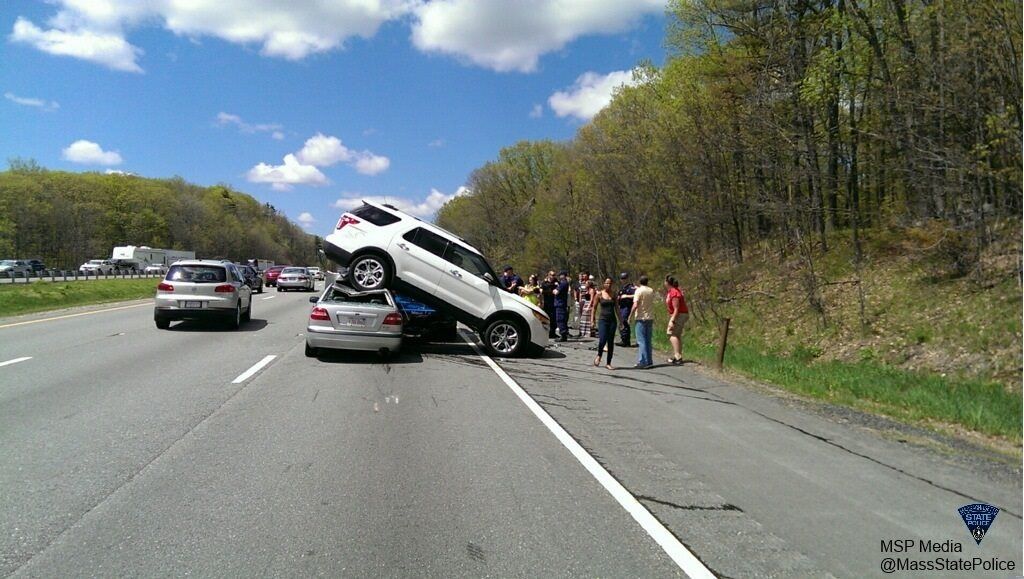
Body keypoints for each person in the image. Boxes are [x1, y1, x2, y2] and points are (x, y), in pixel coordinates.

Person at [592, 277, 622, 370]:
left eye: (610, 283)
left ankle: (608, 363)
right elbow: (594, 308)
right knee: (602, 340)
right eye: (606, 283)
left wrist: (621, 320)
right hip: (603, 320)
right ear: (604, 284)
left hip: (612, 320)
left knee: (610, 342)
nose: (608, 285)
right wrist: (592, 320)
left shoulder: (614, 295)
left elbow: (617, 308)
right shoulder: (599, 294)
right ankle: (599, 355)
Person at [628, 275, 656, 368]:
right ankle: (649, 361)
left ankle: (643, 361)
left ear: (639, 282)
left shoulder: (638, 291)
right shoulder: (651, 290)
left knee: (641, 341)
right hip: (650, 317)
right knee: (648, 340)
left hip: (641, 317)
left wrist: (630, 316)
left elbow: (635, 304)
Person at [664, 275, 689, 365]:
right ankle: (677, 355)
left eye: (665, 281)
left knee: (671, 334)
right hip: (679, 314)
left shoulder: (674, 293)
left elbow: (676, 309)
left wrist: (672, 321)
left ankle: (678, 356)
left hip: (679, 315)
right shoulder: (672, 291)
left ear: (667, 283)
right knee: (676, 335)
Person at [616, 272, 636, 347]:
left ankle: (626, 341)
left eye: (624, 278)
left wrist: (626, 296)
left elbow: (636, 295)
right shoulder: (622, 288)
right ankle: (623, 339)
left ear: (627, 279)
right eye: (622, 278)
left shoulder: (631, 287)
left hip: (627, 307)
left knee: (624, 321)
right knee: (621, 322)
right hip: (621, 306)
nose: (623, 280)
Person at [553, 270, 571, 341]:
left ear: (564, 275)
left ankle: (563, 335)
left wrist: (554, 289)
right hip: (560, 303)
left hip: (560, 303)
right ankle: (563, 334)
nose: (560, 276)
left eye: (561, 275)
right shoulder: (562, 283)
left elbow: (556, 292)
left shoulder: (563, 283)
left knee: (560, 319)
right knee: (561, 319)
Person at [540, 270, 558, 339]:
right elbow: (541, 291)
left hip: (554, 302)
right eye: (552, 275)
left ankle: (553, 333)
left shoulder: (556, 282)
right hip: (547, 303)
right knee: (546, 318)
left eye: (554, 275)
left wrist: (546, 291)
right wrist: (550, 290)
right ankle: (546, 333)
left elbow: (557, 289)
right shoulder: (544, 283)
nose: (553, 277)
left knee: (554, 319)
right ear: (548, 275)